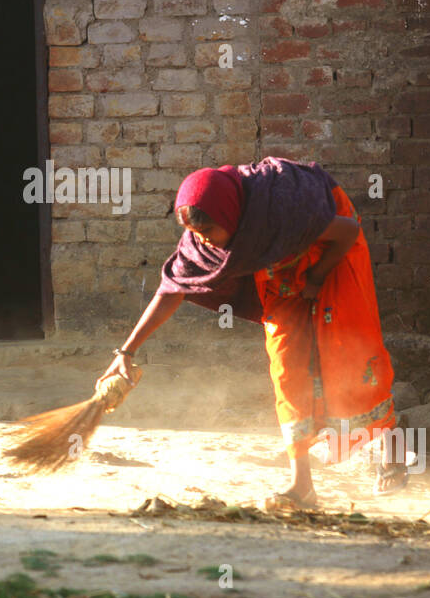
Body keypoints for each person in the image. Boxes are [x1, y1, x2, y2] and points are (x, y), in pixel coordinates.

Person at [97, 157, 407, 510]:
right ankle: (302, 486)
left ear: (232, 218)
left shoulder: (283, 212)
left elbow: (347, 231)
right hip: (279, 272)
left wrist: (317, 277)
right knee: (287, 369)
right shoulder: (205, 237)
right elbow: (171, 290)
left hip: (331, 254)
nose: (205, 243)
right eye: (196, 235)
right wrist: (126, 353)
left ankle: (393, 448)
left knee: (350, 352)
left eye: (209, 233)